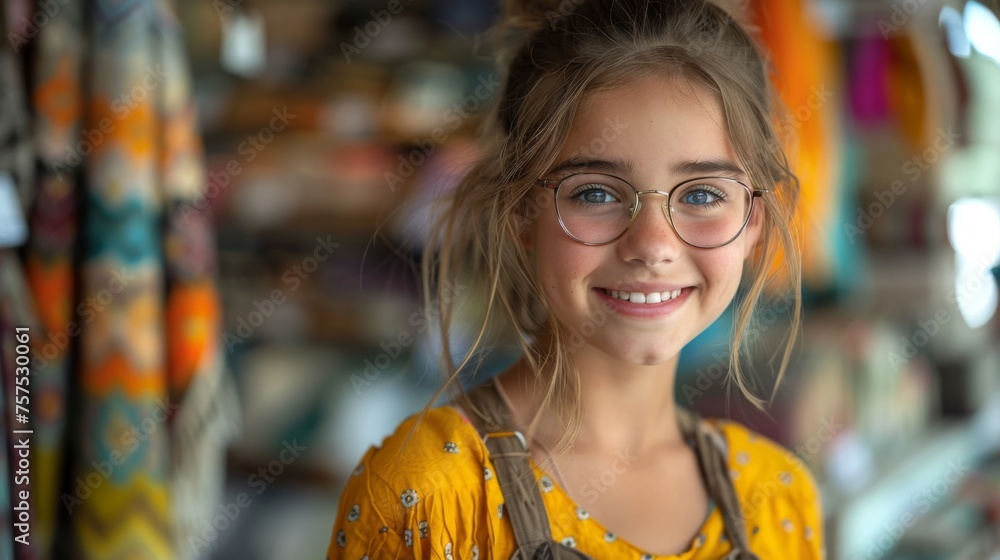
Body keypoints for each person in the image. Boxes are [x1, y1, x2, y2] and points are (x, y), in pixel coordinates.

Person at [327, 0, 824, 558]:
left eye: (703, 194)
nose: (653, 246)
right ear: (519, 213)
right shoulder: (428, 495)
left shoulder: (779, 500)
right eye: (596, 192)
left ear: (754, 219)